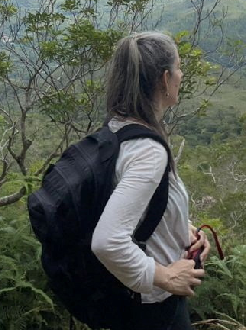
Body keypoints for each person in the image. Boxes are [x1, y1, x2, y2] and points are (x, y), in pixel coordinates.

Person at [91, 31, 212, 330]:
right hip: (154, 308)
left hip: (135, 301)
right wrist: (167, 277)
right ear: (165, 78)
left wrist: (182, 231)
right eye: (180, 68)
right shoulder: (147, 151)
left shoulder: (120, 128)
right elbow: (107, 241)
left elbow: (138, 207)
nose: (182, 75)